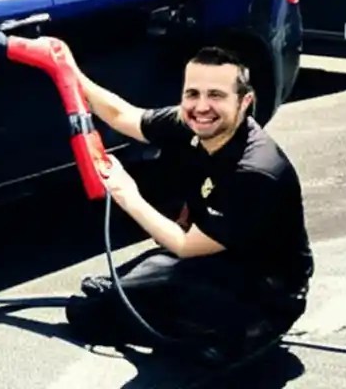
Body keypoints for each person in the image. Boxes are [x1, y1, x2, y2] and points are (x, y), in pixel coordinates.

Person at [54, 43, 313, 365]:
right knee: (98, 300)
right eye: (193, 94)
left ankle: (249, 331)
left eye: (216, 95)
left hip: (266, 288)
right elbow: (123, 116)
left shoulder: (255, 170)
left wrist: (126, 194)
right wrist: (67, 69)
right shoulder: (191, 123)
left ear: (244, 102)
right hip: (215, 258)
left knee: (93, 316)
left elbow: (186, 245)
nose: (202, 107)